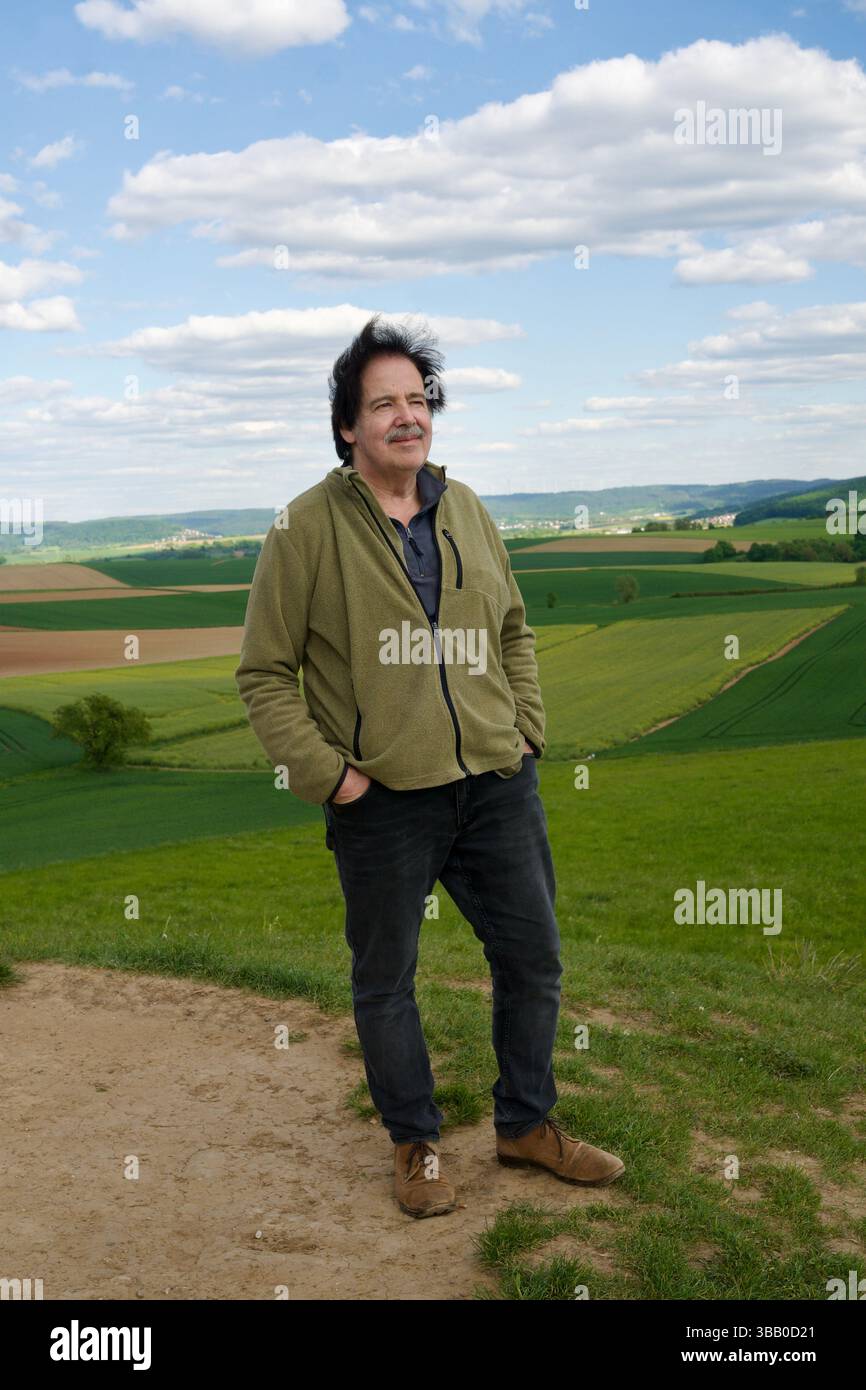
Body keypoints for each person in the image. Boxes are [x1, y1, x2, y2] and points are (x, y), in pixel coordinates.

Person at [235, 314, 625, 1218]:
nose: (406, 417)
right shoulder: (304, 528)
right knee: (387, 981)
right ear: (347, 426)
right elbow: (263, 673)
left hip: (495, 784)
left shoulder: (468, 507)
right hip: (383, 801)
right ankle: (416, 1146)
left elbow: (514, 628)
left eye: (418, 400)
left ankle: (526, 1124)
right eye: (383, 405)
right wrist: (331, 777)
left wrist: (526, 725)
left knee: (533, 960)